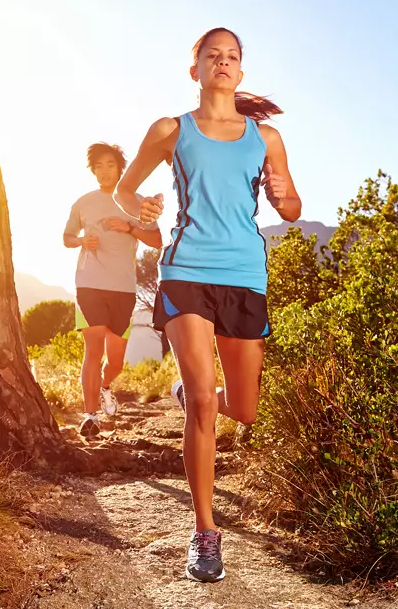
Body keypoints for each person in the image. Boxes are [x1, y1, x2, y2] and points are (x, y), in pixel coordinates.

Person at [112, 28, 302, 582]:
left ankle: (185, 395)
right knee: (201, 400)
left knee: (242, 409)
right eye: (211, 55)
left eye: (232, 56)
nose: (223, 62)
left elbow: (290, 207)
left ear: (241, 73)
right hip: (186, 271)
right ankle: (204, 533)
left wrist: (282, 195)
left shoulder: (264, 138)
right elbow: (125, 191)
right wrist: (142, 206)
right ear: (194, 69)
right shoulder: (172, 130)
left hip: (245, 275)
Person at [64, 142, 163, 438]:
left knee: (116, 362)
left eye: (110, 165)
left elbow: (157, 240)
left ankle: (106, 387)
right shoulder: (83, 203)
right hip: (89, 283)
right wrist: (82, 242)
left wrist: (129, 227)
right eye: (99, 166)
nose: (104, 171)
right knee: (93, 350)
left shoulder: (137, 201)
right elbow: (67, 237)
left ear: (121, 168)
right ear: (93, 171)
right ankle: (90, 415)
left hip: (123, 288)